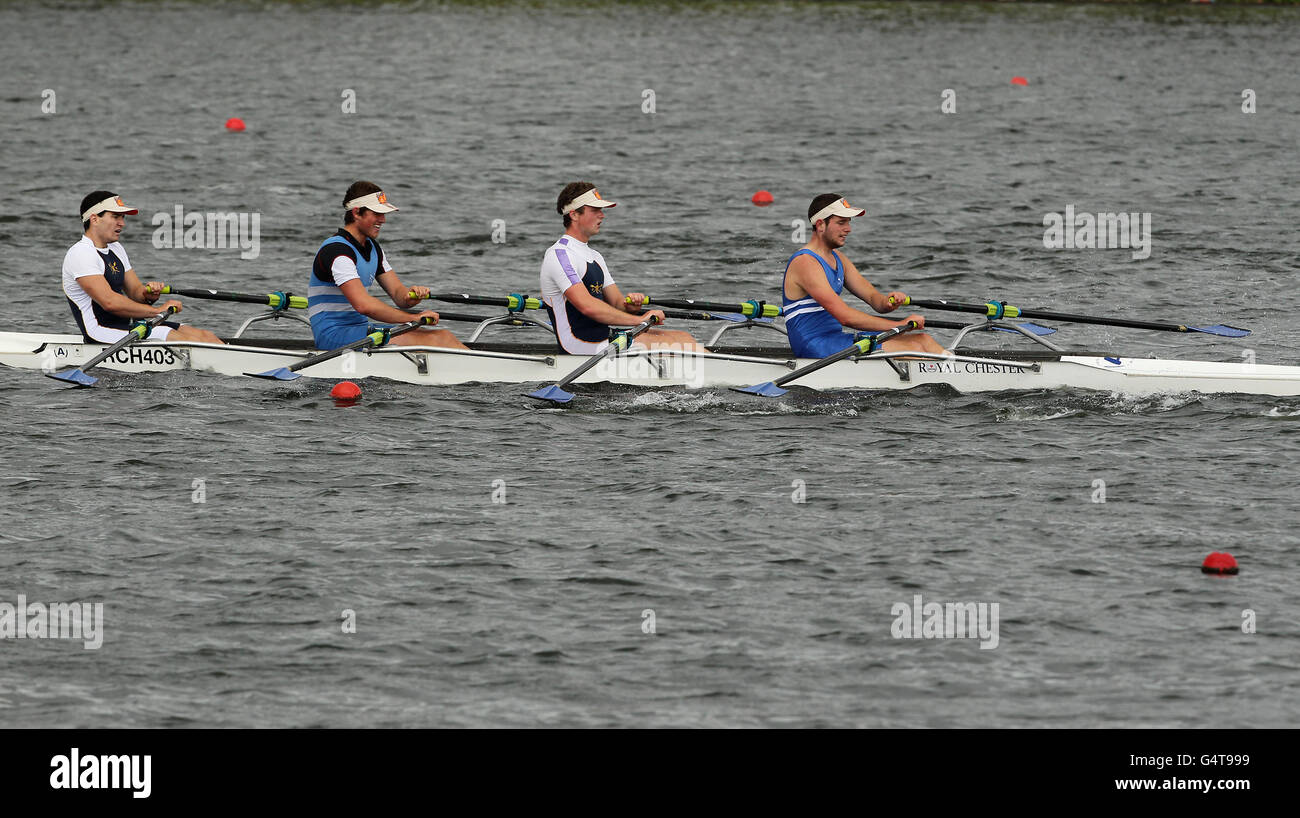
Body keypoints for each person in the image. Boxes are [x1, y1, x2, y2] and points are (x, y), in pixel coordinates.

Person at [540, 182, 701, 354]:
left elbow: (617, 303)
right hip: (577, 344)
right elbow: (588, 307)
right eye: (595, 210)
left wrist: (632, 305)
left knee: (683, 338)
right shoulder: (559, 255)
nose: (602, 216)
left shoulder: (595, 256)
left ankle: (716, 374)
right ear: (574, 215)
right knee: (669, 345)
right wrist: (639, 320)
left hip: (602, 336)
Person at [782, 193, 945, 358]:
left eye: (848, 223)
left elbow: (874, 298)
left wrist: (888, 302)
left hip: (837, 340)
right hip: (814, 345)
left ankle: (957, 372)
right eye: (841, 222)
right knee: (913, 351)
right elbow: (846, 317)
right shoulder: (805, 262)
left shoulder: (839, 259)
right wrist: (899, 325)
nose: (848, 229)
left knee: (923, 340)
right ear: (820, 225)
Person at [308, 181, 465, 350]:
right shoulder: (337, 251)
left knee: (443, 336)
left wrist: (412, 296)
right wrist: (413, 318)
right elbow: (364, 305)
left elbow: (399, 295)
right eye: (377, 213)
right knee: (436, 341)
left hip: (359, 331)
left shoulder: (373, 249)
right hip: (333, 336)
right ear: (356, 213)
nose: (383, 220)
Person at [63, 191, 224, 345]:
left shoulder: (116, 249)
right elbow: (109, 302)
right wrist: (157, 311)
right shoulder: (81, 253)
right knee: (186, 341)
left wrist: (149, 293)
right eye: (115, 216)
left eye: (123, 217)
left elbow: (135, 293)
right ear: (94, 219)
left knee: (206, 336)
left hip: (127, 328)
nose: (122, 223)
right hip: (99, 332)